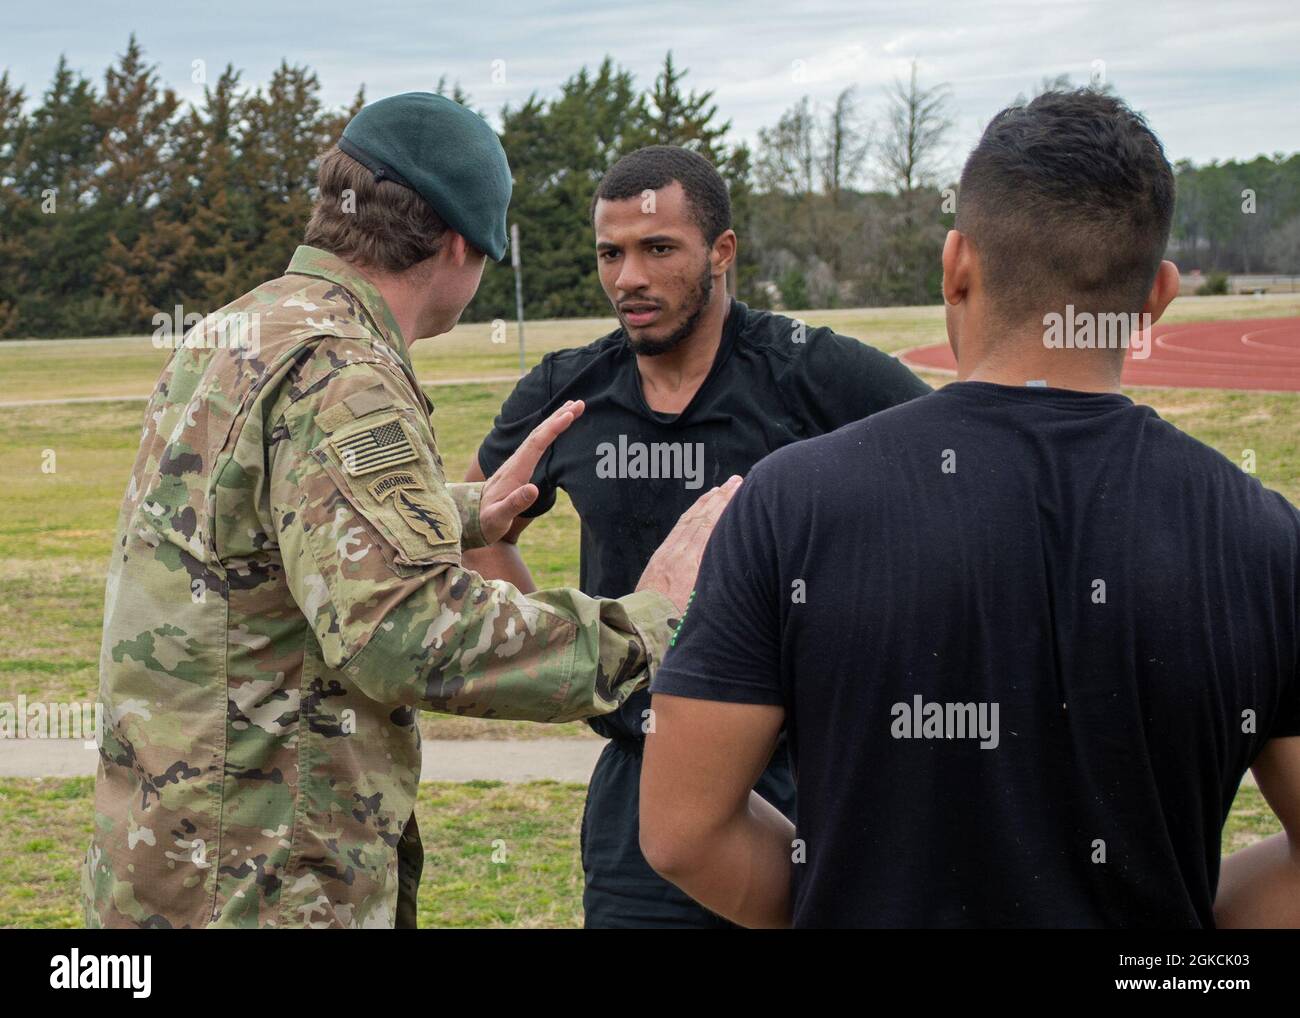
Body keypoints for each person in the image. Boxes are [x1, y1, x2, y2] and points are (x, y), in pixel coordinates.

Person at [639, 89, 1300, 928]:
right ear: (1157, 297)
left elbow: (682, 833)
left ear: (956, 266)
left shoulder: (792, 503)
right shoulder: (1264, 537)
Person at [81, 92, 735, 930]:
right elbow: (404, 634)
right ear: (461, 243)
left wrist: (463, 515)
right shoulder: (343, 369)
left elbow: (260, 533)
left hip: (166, 859)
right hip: (263, 879)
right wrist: (649, 621)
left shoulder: (241, 329)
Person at [464, 145, 930, 927]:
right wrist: (573, 647)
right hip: (645, 779)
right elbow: (480, 527)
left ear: (722, 252)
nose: (628, 279)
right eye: (610, 254)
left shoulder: (810, 372)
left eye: (658, 249)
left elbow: (951, 477)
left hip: (810, 775)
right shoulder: (569, 388)